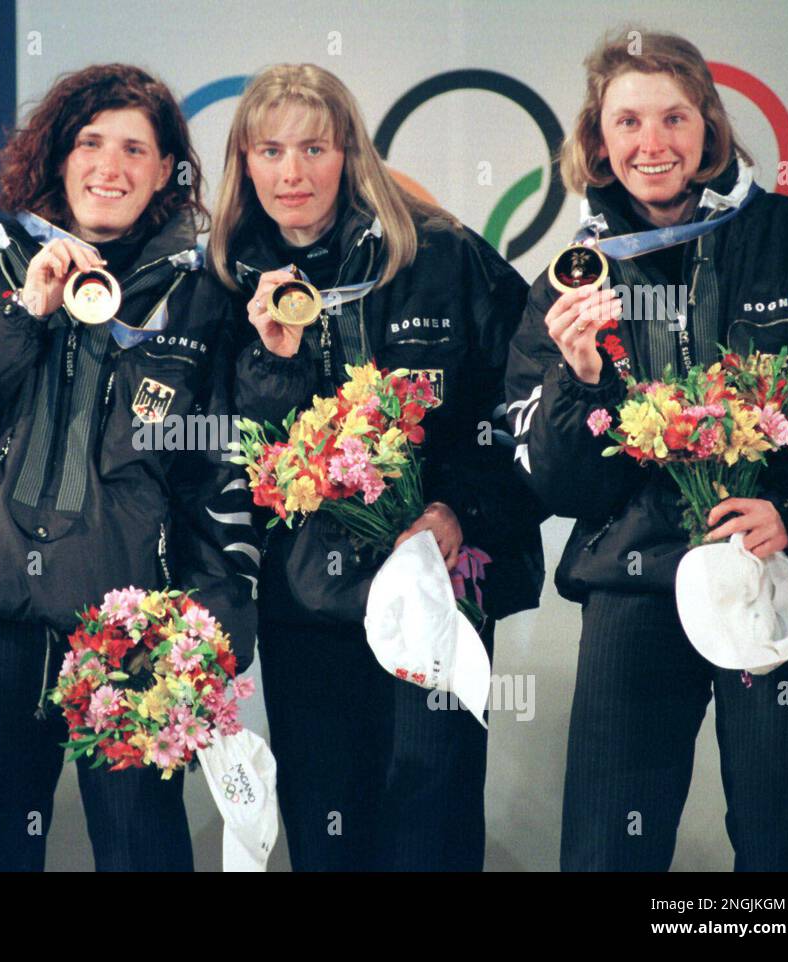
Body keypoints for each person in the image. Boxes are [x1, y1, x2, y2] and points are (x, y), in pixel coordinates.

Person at [0, 64, 257, 872]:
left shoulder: (199, 300)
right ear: (58, 156)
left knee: (142, 854)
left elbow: (221, 479)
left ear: (166, 172)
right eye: (90, 142)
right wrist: (24, 315)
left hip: (135, 636)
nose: (109, 167)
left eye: (135, 149)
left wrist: (214, 626)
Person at [505, 30, 788, 871]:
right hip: (634, 585)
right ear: (599, 142)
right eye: (627, 123)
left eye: (673, 117)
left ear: (710, 126)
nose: (652, 144)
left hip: (777, 581)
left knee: (781, 842)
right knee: (608, 850)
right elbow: (557, 488)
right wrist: (580, 375)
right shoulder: (570, 280)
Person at [209, 63, 544, 871]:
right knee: (327, 834)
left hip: (438, 587)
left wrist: (453, 512)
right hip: (304, 604)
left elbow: (524, 409)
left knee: (433, 828)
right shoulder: (221, 284)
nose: (293, 173)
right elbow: (223, 459)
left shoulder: (443, 255)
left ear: (351, 152)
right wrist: (273, 362)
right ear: (244, 164)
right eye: (271, 150)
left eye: (315, 148)